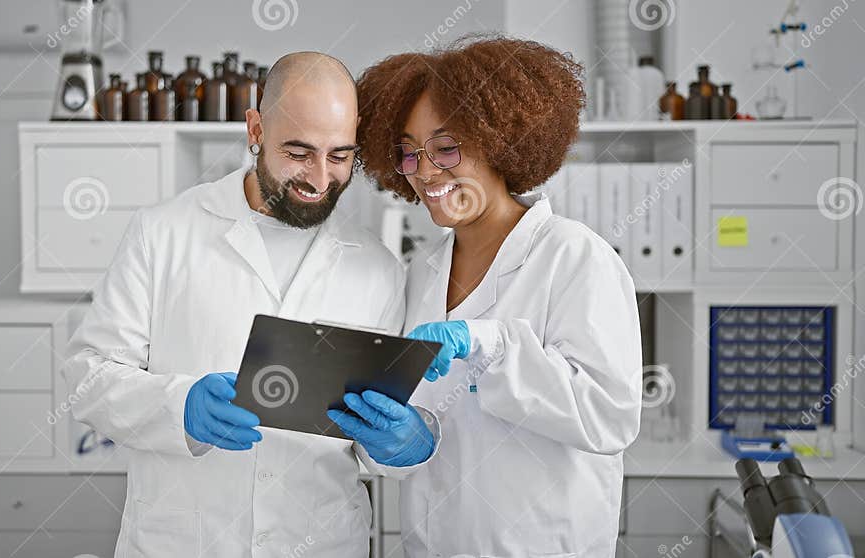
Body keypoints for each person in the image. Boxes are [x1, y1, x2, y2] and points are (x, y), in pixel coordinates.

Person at [64, 51, 439, 558]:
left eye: (339, 156)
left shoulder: (378, 268)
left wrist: (403, 444)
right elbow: (87, 377)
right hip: (185, 543)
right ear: (256, 129)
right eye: (299, 153)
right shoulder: (163, 232)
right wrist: (180, 407)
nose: (319, 179)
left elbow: (378, 445)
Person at [350, 36, 643, 557]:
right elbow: (422, 424)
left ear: (499, 140)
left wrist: (492, 347)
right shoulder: (421, 275)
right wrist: (398, 444)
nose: (425, 172)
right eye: (409, 153)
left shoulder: (574, 256)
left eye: (446, 147)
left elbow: (610, 417)